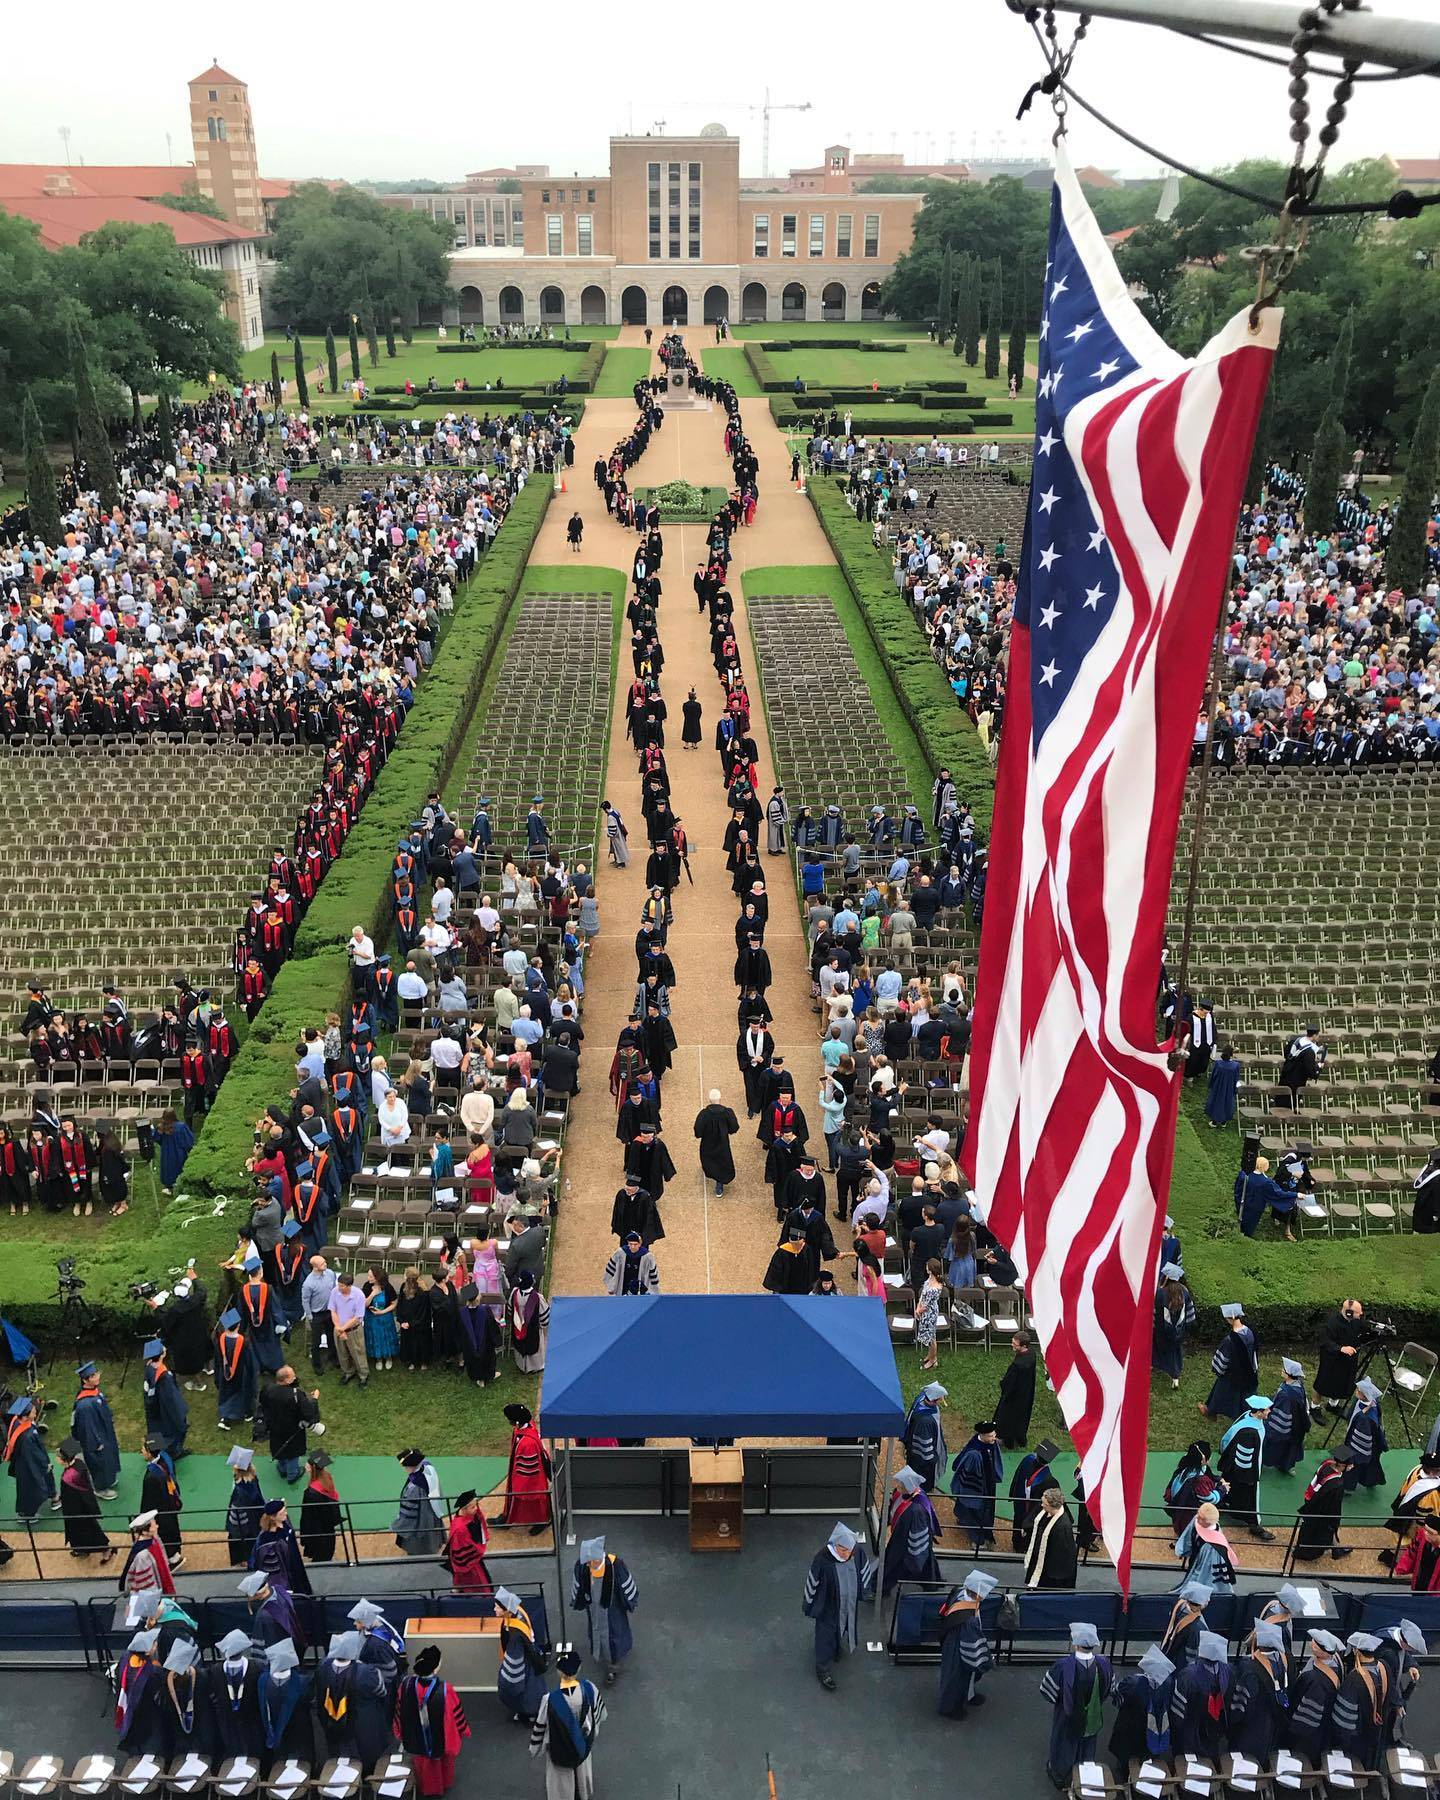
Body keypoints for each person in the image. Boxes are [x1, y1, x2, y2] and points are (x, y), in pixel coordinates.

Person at [1040, 1621, 1114, 1789]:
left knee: (1064, 1743)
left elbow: (1047, 1692)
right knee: (1088, 1742)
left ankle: (1059, 1775)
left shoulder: (1062, 1666)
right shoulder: (1104, 1664)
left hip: (1067, 1715)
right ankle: (1083, 1775)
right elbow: (1109, 1688)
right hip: (1093, 1713)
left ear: (1074, 1644)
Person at [802, 1521, 875, 1692]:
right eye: (843, 1550)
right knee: (825, 1635)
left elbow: (863, 1571)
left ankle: (836, 1648)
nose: (846, 1555)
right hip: (828, 1605)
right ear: (835, 1545)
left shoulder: (856, 1552)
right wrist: (810, 1604)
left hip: (848, 1602)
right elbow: (813, 1583)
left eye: (849, 1551)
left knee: (844, 1626)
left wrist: (863, 1592)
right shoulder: (822, 1559)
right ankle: (823, 1669)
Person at [393, 1645, 471, 1797]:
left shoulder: (406, 1685)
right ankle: (442, 1786)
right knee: (441, 1764)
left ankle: (425, 1787)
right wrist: (463, 1729)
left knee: (422, 1763)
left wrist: (399, 1729)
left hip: (415, 1735)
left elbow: (399, 1710)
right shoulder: (445, 1690)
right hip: (439, 1737)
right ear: (435, 1669)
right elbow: (456, 1716)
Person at [529, 1648, 605, 1799]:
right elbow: (597, 1717)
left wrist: (535, 1748)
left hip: (560, 1748)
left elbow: (541, 1728)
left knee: (561, 1781)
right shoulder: (590, 1689)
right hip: (582, 1744)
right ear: (579, 1668)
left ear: (559, 1672)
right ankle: (582, 1792)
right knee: (581, 1769)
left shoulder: (550, 1700)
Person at [315, 1631, 391, 1770]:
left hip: (332, 1721)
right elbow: (381, 1691)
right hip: (363, 1721)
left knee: (339, 1751)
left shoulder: (322, 1668)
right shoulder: (366, 1673)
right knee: (366, 1754)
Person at [570, 1535, 638, 1685]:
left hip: (612, 1609)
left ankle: (613, 1666)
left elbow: (626, 1586)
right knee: (595, 1630)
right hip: (593, 1608)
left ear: (598, 1557)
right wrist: (580, 1600)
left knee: (614, 1634)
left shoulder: (616, 1566)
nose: (589, 1565)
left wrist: (628, 1602)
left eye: (592, 1562)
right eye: (588, 1562)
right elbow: (579, 1583)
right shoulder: (583, 1566)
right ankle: (600, 1653)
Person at [936, 1569, 996, 1719]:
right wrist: (984, 1660)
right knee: (955, 1677)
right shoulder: (968, 1619)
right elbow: (972, 1644)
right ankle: (949, 1708)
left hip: (953, 1638)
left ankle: (969, 1696)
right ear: (976, 1594)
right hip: (958, 1646)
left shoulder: (958, 1593)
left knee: (964, 1677)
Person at [1109, 1644, 1175, 1775]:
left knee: (1126, 1754)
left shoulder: (1134, 1683)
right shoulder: (1167, 1684)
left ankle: (1124, 1774)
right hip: (1154, 1725)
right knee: (1146, 1751)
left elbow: (1117, 1693)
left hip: (1131, 1725)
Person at [1217, 1394, 1275, 1541]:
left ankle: (1223, 1502)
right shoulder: (1250, 1433)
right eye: (1267, 1410)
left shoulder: (1246, 1416)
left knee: (1229, 1486)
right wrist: (1249, 1477)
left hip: (1231, 1464)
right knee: (1250, 1497)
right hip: (1243, 1472)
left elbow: (1227, 1438)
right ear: (1259, 1412)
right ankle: (1254, 1525)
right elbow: (1244, 1459)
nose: (1269, 1412)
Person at [1331, 1633, 1391, 1768]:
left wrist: (1340, 1739)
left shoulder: (1354, 1680)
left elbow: (1343, 1719)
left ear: (1356, 1651)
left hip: (1356, 1738)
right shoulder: (1384, 1667)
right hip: (1377, 1730)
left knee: (1354, 1765)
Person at [1169, 1631, 1231, 1760]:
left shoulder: (1188, 1675)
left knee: (1186, 1760)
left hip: (1191, 1728)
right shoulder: (1227, 1671)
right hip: (1214, 1727)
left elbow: (1178, 1713)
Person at [1288, 1628, 1346, 1765]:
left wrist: (1291, 1730)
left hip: (1309, 1735)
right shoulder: (1335, 1662)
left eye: (1315, 1643)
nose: (1311, 1643)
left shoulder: (1316, 1681)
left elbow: (1307, 1718)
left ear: (1322, 1650)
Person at [257, 1638, 316, 1769]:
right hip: (301, 1733)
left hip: (275, 1731)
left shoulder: (263, 1681)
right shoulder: (303, 1682)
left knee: (280, 1762)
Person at [882, 1465, 943, 1591]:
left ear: (908, 1487)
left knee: (893, 1565)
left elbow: (917, 1536)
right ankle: (931, 1584)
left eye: (900, 1485)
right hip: (901, 1537)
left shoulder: (918, 1509)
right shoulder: (904, 1494)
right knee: (927, 1564)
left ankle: (880, 1589)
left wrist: (914, 1556)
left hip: (905, 1544)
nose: (897, 1487)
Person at [258, 1365, 322, 1485]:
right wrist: (314, 1399)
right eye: (293, 1375)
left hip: (274, 1427)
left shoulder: (267, 1389)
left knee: (279, 1448)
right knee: (292, 1453)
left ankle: (282, 1469)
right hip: (292, 1431)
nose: (295, 1377)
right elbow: (309, 1414)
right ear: (287, 1380)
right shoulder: (296, 1395)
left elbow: (262, 1404)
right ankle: (292, 1474)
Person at [496, 1587, 550, 1722]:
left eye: (497, 1607)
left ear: (506, 1610)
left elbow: (514, 1667)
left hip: (523, 1663)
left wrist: (508, 1685)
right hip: (530, 1656)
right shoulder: (518, 1612)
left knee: (528, 1692)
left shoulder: (515, 1636)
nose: (494, 1609)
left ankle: (530, 1714)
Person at [57, 1436, 114, 1562]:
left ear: (65, 1458)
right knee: (77, 1531)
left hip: (79, 1509)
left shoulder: (70, 1476)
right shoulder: (78, 1464)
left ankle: (106, 1549)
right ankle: (82, 1549)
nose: (57, 1458)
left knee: (90, 1529)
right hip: (75, 1507)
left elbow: (78, 1492)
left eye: (58, 1456)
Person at [1293, 1445, 1355, 1562]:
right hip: (1321, 1510)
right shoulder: (1337, 1484)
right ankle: (1305, 1553)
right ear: (1342, 1465)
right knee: (1320, 1531)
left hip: (1311, 1499)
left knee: (1311, 1529)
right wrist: (1335, 1521)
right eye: (1349, 1465)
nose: (1351, 1467)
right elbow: (1334, 1506)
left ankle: (1335, 1549)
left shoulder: (1326, 1464)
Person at [500, 1403, 553, 1532]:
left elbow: (529, 1469)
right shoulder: (527, 1429)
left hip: (532, 1478)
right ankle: (507, 1516)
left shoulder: (527, 1442)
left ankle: (543, 1521)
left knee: (534, 1497)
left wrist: (518, 1482)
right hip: (528, 1475)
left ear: (517, 1422)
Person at [71, 1360, 121, 1497]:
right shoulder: (85, 1404)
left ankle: (109, 1478)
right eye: (93, 1376)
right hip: (95, 1438)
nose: (97, 1376)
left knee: (109, 1456)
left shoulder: (94, 1392)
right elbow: (87, 1428)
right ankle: (100, 1488)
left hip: (103, 1431)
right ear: (85, 1380)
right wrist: (96, 1444)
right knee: (100, 1461)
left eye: (96, 1373)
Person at [951, 1420, 1003, 1551]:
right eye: (991, 1436)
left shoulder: (990, 1444)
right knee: (975, 1510)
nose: (994, 1438)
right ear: (983, 1435)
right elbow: (968, 1482)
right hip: (977, 1488)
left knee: (984, 1509)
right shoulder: (973, 1453)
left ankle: (967, 1521)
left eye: (994, 1434)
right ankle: (977, 1540)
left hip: (988, 1484)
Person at [1200, 1302, 1258, 1421]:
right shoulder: (1250, 1333)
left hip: (1232, 1374)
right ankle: (1246, 1416)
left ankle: (1210, 1411)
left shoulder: (1229, 1340)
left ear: (1230, 1318)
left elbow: (1222, 1361)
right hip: (1248, 1372)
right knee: (1244, 1396)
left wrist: (1218, 1370)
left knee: (1220, 1391)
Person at [4, 1394, 55, 1521]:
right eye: (32, 1410)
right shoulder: (27, 1436)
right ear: (26, 1416)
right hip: (29, 1465)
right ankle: (26, 1514)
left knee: (30, 1487)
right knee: (31, 1488)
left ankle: (53, 1497)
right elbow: (33, 1455)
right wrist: (44, 1465)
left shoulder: (17, 1421)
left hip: (25, 1461)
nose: (35, 1410)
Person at [1314, 1298, 1368, 1410]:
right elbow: (1325, 1341)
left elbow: (1364, 1332)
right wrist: (1341, 1348)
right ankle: (1315, 1407)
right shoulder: (1332, 1322)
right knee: (1322, 1385)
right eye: (1358, 1312)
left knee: (1341, 1383)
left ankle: (1332, 1405)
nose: (1361, 1314)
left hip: (1347, 1361)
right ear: (1349, 1313)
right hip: (1331, 1361)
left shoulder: (1356, 1321)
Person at [141, 1336, 189, 1458]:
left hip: (153, 1408)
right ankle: (173, 1453)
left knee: (154, 1429)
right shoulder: (164, 1377)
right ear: (162, 1354)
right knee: (171, 1431)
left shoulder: (149, 1368)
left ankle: (155, 1454)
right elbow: (172, 1400)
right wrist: (181, 1415)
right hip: (164, 1409)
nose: (165, 1348)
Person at [1263, 1356, 1311, 1474]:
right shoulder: (1298, 1384)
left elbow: (1280, 1413)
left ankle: (1262, 1463)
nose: (1281, 1370)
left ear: (1288, 1374)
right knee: (1290, 1448)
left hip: (1285, 1427)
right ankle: (1286, 1466)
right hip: (1297, 1425)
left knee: (1274, 1446)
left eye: (1283, 1369)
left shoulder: (1285, 1394)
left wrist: (1269, 1421)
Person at [1174, 1501, 1236, 1591]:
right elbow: (1188, 1537)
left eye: (1200, 1517)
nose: (1197, 1517)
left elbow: (1206, 1573)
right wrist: (1183, 1550)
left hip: (1203, 1572)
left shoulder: (1213, 1547)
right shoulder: (1198, 1520)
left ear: (1208, 1522)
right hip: (1195, 1558)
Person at [394, 1448, 445, 1557]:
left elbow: (409, 1512)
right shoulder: (429, 1467)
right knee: (432, 1525)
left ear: (412, 1466)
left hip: (421, 1516)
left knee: (421, 1529)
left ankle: (420, 1551)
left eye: (406, 1466)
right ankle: (435, 1544)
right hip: (432, 1506)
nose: (405, 1469)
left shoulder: (414, 1487)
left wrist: (399, 1523)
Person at [1024, 1486, 1078, 1589]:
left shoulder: (1063, 1527)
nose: (1042, 1505)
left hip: (1049, 1567)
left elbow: (1060, 1555)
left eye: (1045, 1504)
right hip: (1040, 1557)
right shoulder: (1047, 1512)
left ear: (1053, 1506)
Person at [1162, 1441, 1218, 1539]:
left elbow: (1207, 1472)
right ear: (1203, 1459)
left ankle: (1178, 1539)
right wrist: (1222, 1490)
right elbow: (1210, 1499)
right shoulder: (1199, 1480)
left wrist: (1218, 1479)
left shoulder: (1185, 1467)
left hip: (1178, 1510)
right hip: (1187, 1516)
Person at [1152, 1265, 1196, 1388]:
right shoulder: (1184, 1292)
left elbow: (1154, 1312)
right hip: (1179, 1331)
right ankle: (1175, 1377)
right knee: (1175, 1351)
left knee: (1159, 1348)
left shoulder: (1161, 1294)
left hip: (1162, 1330)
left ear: (1167, 1277)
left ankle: (1155, 1365)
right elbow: (1190, 1313)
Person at [117, 1510, 175, 1599]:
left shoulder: (154, 1540)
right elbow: (146, 1586)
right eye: (153, 1525)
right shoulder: (142, 1555)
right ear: (144, 1532)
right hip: (155, 1597)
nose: (157, 1526)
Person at [901, 1382, 948, 1491]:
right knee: (919, 1484)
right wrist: (933, 1460)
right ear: (934, 1400)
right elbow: (924, 1453)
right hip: (921, 1464)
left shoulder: (921, 1399)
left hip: (914, 1453)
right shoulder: (924, 1422)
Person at [1342, 1376, 1387, 1490]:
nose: (1356, 1391)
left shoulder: (1366, 1419)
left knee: (1354, 1465)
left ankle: (1347, 1487)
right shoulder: (1366, 1401)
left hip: (1359, 1444)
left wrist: (1352, 1456)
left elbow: (1358, 1442)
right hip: (1355, 1435)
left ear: (1365, 1395)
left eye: (1358, 1390)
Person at [445, 1490, 493, 1593]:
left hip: (472, 1556)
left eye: (476, 1505)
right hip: (469, 1561)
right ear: (464, 1509)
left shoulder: (468, 1514)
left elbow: (478, 1518)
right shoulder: (460, 1529)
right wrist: (479, 1550)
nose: (476, 1509)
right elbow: (463, 1553)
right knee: (478, 1582)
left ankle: (458, 1587)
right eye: (473, 1507)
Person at [692, 1089, 738, 1196]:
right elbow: (734, 1127)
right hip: (723, 1143)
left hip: (707, 1143)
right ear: (720, 1098)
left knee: (708, 1159)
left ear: (709, 1099)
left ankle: (712, 1174)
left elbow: (698, 1130)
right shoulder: (727, 1113)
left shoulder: (704, 1114)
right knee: (722, 1161)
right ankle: (719, 1183)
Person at [995, 1333, 1037, 1448]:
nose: (1012, 1345)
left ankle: (1008, 1442)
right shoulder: (1032, 1354)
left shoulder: (1018, 1365)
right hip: (1027, 1393)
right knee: (1023, 1417)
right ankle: (1020, 1439)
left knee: (1008, 1417)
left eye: (1015, 1344)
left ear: (1023, 1346)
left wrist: (1003, 1384)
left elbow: (1009, 1383)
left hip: (1014, 1396)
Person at [226, 1444, 265, 1566]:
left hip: (243, 1522)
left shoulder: (240, 1489)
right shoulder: (253, 1479)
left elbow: (236, 1513)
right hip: (254, 1519)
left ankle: (242, 1561)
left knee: (240, 1541)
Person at [299, 1450, 341, 1564]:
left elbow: (307, 1517)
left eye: (308, 1464)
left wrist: (304, 1537)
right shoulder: (327, 1479)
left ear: (313, 1468)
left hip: (316, 1532)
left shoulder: (311, 1493)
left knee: (319, 1559)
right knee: (325, 1553)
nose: (305, 1466)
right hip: (328, 1529)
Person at [330, 1271, 371, 1386]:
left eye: (342, 1286)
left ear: (349, 1286)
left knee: (358, 1353)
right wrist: (339, 1328)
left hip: (354, 1331)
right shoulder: (335, 1292)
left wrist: (343, 1329)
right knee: (342, 1353)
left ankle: (363, 1374)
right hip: (338, 1328)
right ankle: (348, 1372)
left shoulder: (359, 1295)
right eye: (338, 1284)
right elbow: (333, 1311)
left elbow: (357, 1318)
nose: (339, 1287)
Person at [509, 1267, 550, 1373]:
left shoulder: (514, 1294)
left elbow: (510, 1310)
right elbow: (544, 1318)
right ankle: (534, 1367)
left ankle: (521, 1365)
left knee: (520, 1343)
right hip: (532, 1329)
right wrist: (542, 1326)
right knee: (534, 1343)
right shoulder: (537, 1298)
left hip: (518, 1326)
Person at [1204, 1041, 1242, 1128]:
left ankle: (1214, 1121)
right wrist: (1235, 1089)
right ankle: (1224, 1122)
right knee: (1227, 1102)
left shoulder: (1218, 1064)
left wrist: (1211, 1085)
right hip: (1229, 1088)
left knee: (1216, 1102)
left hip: (1218, 1087)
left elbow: (1213, 1075)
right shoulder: (1236, 1065)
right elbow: (1236, 1078)